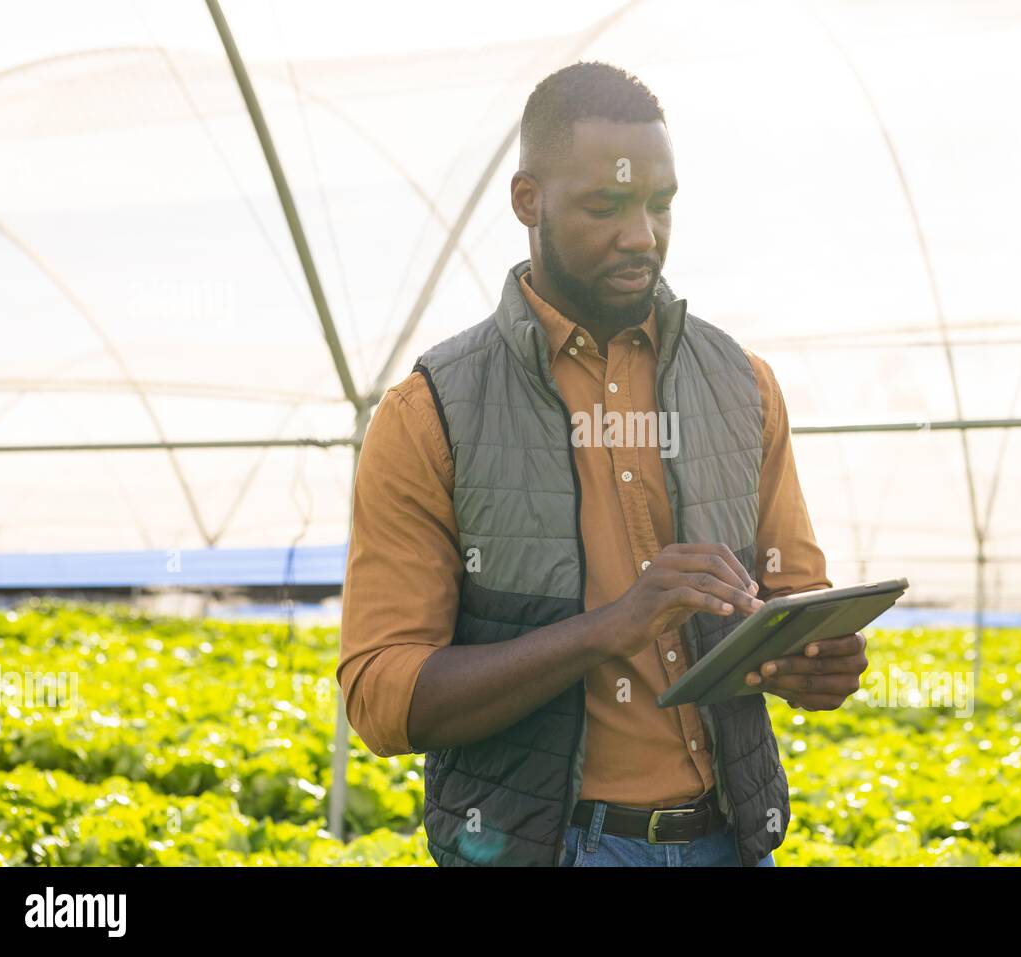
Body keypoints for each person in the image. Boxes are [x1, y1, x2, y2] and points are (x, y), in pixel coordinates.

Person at [337, 60, 869, 867]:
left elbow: (792, 590)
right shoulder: (430, 411)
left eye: (660, 206)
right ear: (528, 201)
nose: (642, 236)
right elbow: (383, 697)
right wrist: (611, 626)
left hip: (732, 841)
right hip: (550, 848)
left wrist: (814, 659)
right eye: (606, 207)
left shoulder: (742, 383)